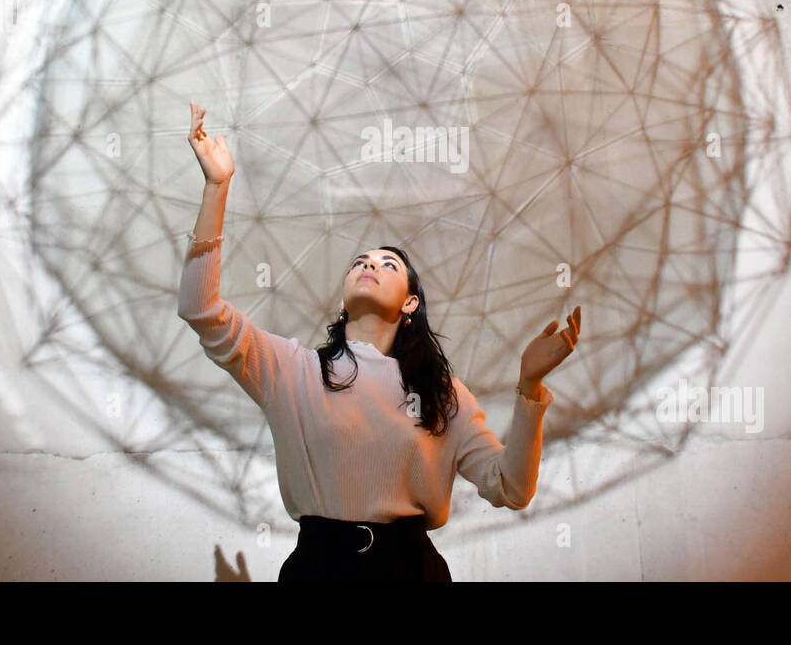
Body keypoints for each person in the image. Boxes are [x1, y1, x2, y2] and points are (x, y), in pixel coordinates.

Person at [177, 101, 581, 581]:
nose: (370, 264)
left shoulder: (442, 394)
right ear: (344, 299)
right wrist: (217, 187)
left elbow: (511, 488)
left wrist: (529, 386)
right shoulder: (292, 369)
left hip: (411, 571)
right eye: (361, 261)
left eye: (388, 265)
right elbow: (200, 310)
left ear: (410, 304)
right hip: (317, 569)